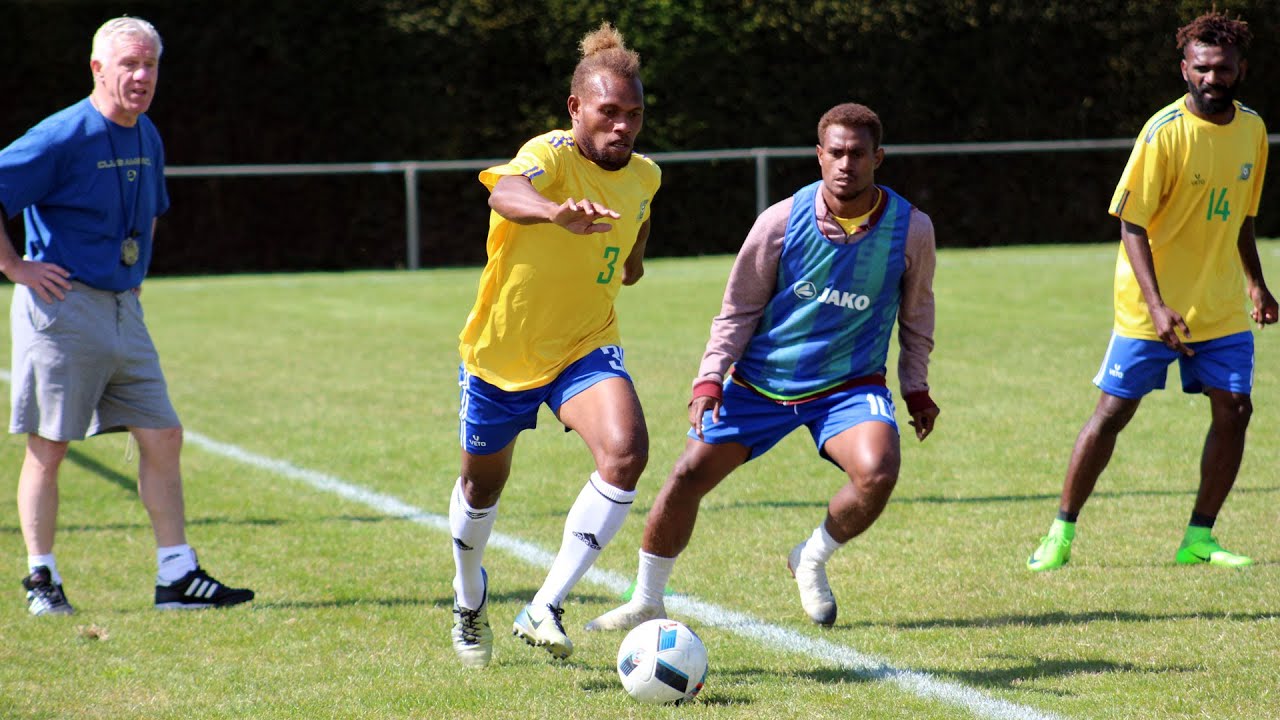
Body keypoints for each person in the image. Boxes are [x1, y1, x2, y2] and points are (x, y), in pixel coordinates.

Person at [586, 102, 939, 632]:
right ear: (819, 156)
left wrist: (916, 388)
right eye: (836, 153)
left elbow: (917, 316)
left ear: (878, 158)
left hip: (848, 387)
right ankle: (647, 598)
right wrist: (710, 377)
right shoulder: (779, 222)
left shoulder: (911, 229)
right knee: (686, 476)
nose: (846, 165)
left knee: (878, 472)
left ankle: (812, 556)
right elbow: (738, 309)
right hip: (758, 385)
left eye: (858, 155)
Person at [0, 17, 254, 615]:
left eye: (150, 66)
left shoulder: (147, 134)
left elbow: (153, 208)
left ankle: (177, 577)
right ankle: (42, 581)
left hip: (122, 308)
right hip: (61, 308)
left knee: (163, 434)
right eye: (129, 65)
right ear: (97, 68)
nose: (141, 76)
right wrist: (15, 266)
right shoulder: (63, 134)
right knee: (51, 447)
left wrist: (134, 275)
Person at [1027, 11, 1275, 572]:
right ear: (1184, 67)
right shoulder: (1163, 132)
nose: (1214, 79)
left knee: (1236, 408)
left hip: (1218, 306)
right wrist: (1157, 305)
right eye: (1203, 68)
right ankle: (1060, 532)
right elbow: (1131, 224)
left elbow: (1242, 217)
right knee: (1113, 413)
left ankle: (1199, 539)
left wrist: (1256, 283)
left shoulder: (1253, 130)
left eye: (1226, 69)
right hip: (1150, 308)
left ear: (1241, 70)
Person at [448, 21, 660, 668]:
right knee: (481, 490)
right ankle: (467, 595)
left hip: (584, 346)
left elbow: (636, 234)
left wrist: (630, 264)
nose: (621, 126)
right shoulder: (549, 154)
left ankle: (545, 606)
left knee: (625, 453)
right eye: (607, 112)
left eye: (633, 114)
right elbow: (508, 191)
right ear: (576, 109)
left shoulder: (646, 176)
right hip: (503, 354)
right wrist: (553, 212)